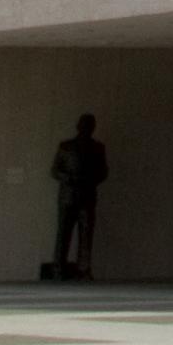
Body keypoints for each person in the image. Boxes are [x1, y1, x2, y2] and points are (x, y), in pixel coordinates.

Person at [45, 113, 109, 280]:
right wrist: (69, 178)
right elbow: (55, 170)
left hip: (87, 197)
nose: (86, 128)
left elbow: (103, 172)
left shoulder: (98, 148)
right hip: (68, 197)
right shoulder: (66, 147)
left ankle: (84, 269)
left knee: (86, 235)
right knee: (63, 234)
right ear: (78, 126)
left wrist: (89, 180)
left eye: (90, 125)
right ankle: (58, 269)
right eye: (84, 124)